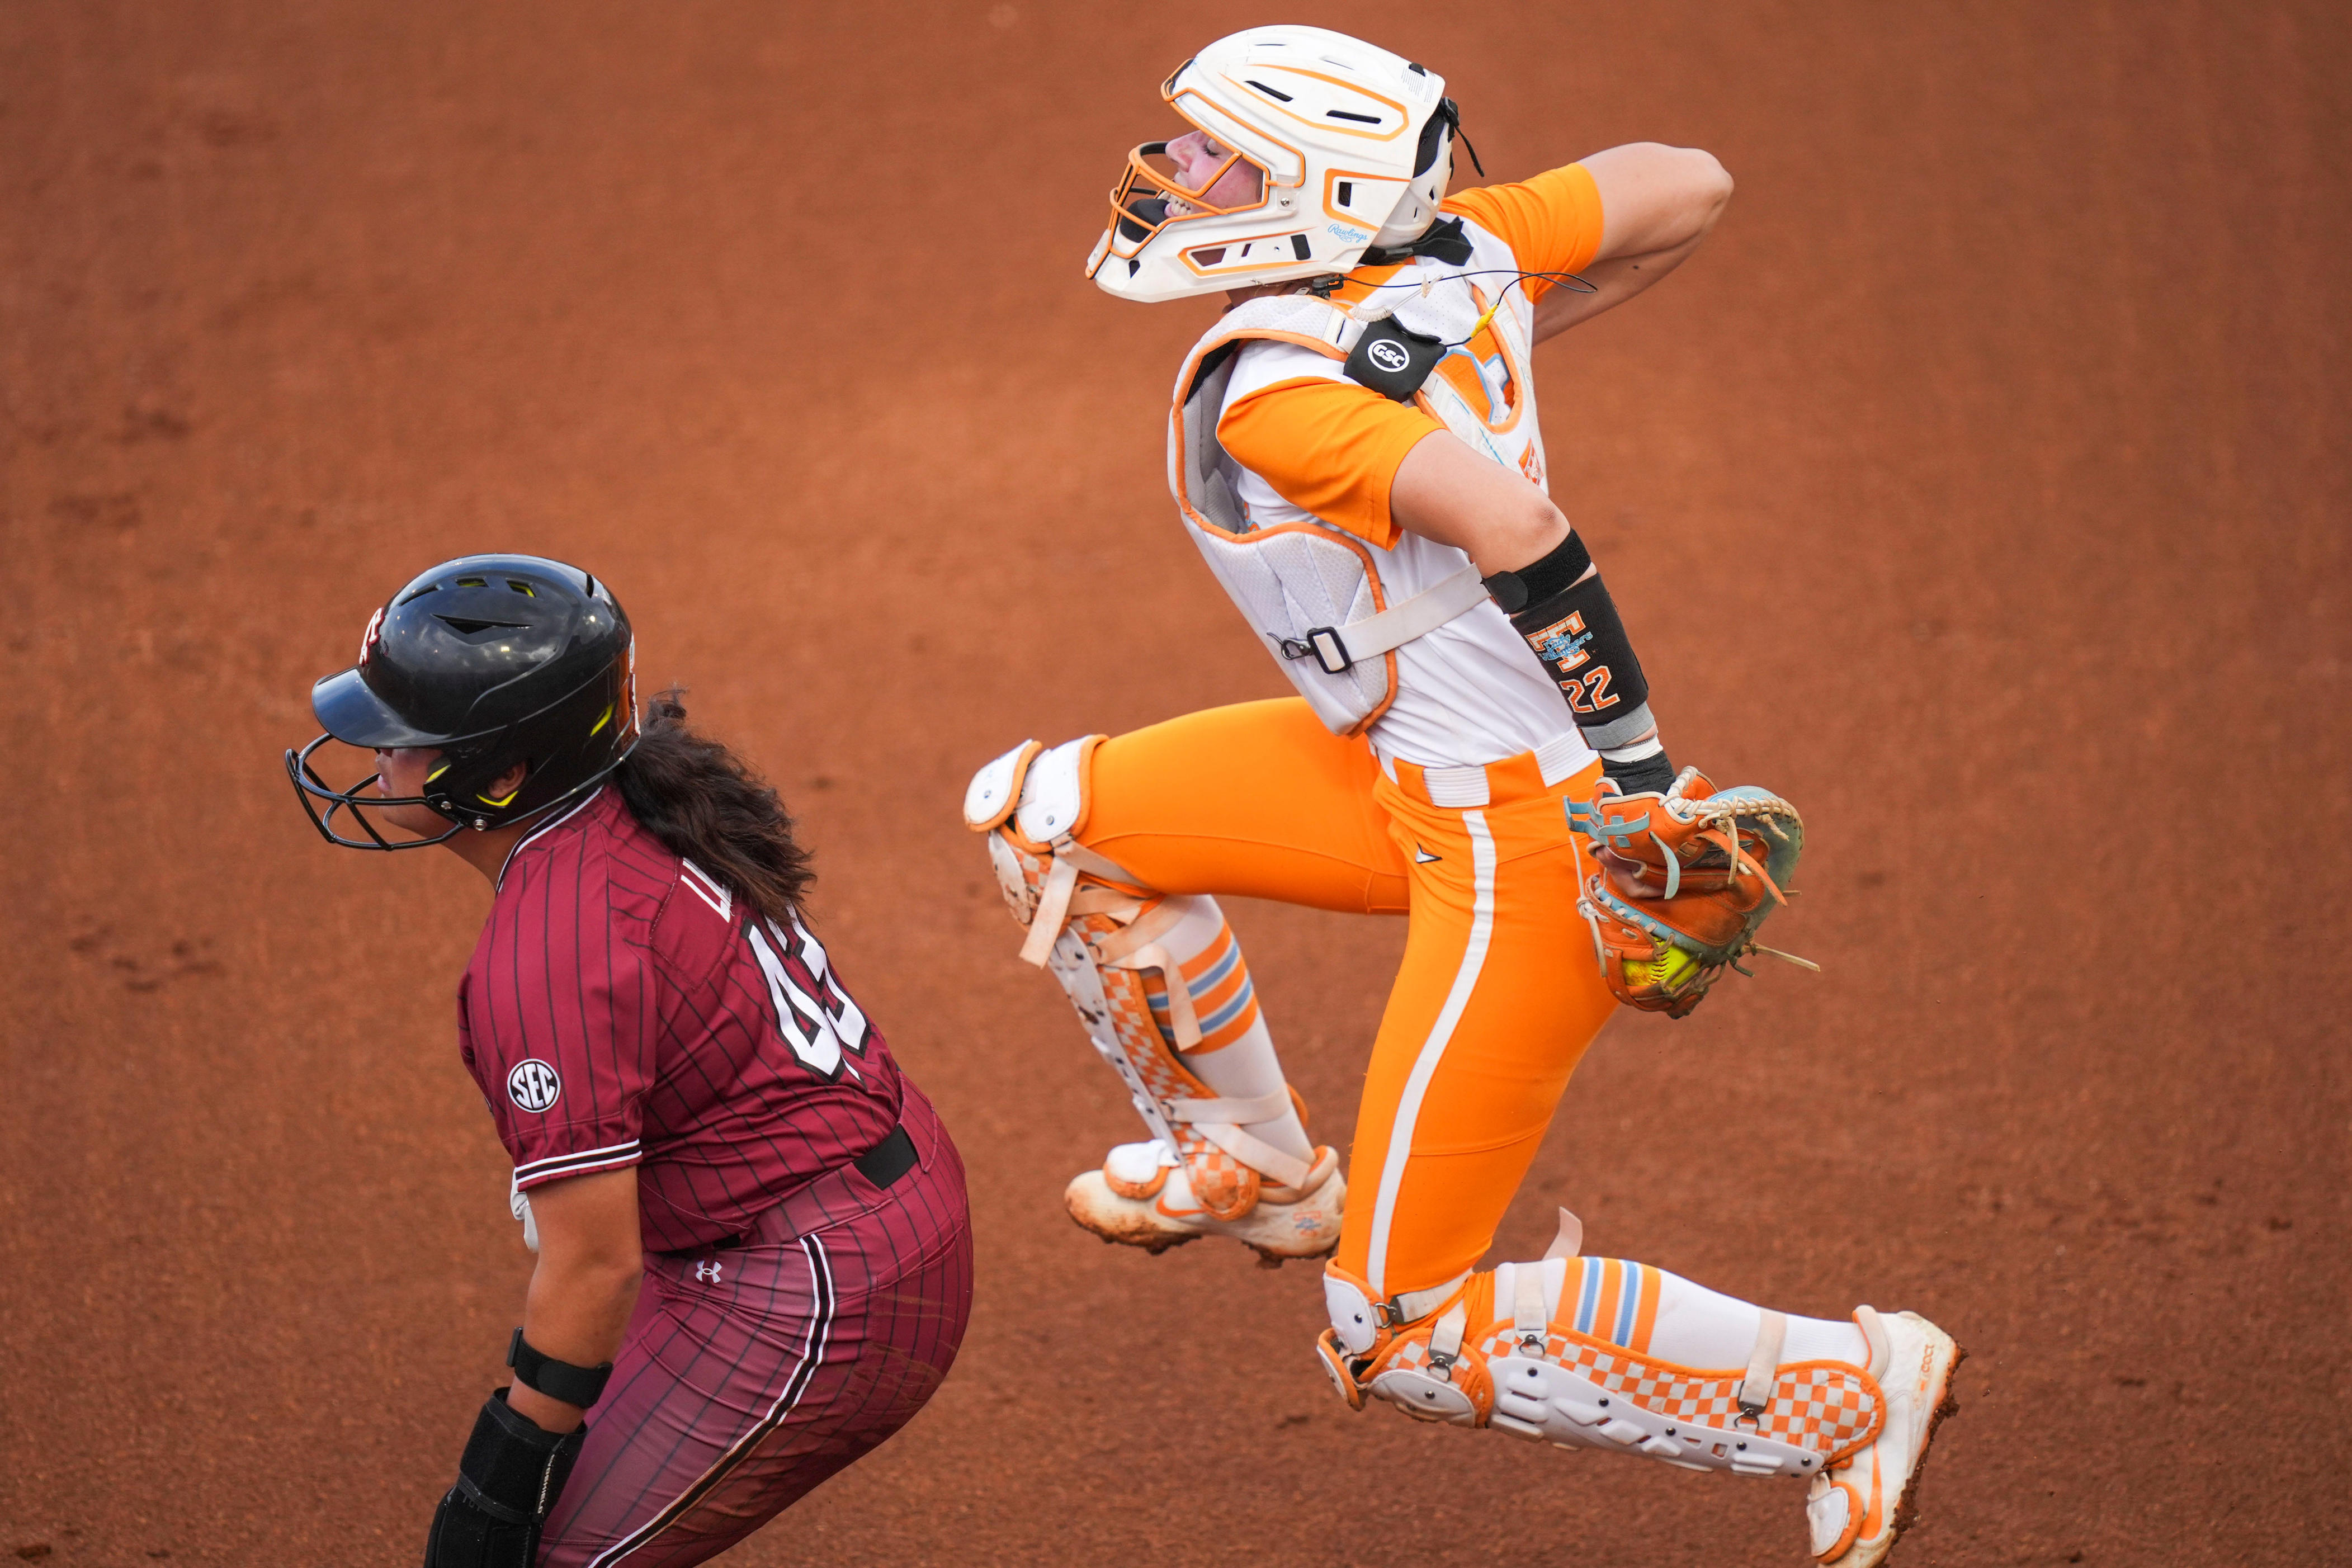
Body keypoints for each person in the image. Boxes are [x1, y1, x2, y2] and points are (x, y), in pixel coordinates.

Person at [965, 27, 1956, 1567]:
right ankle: (1258, 1162)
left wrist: (1632, 766)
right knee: (1050, 818)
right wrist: (1497, 311)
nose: (1169, 171)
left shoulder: (1276, 400)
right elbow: (1687, 185)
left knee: (1396, 1333)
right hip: (1389, 770)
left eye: (1213, 155)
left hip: (1519, 847)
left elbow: (1511, 518)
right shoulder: (1459, 248)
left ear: (1316, 193)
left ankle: (1844, 1388)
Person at [287, 554, 972, 1567]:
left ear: (503, 775)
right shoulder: (634, 799)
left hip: (815, 1282)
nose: (373, 758)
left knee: (541, 1556)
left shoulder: (551, 948)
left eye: (405, 740)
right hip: (858, 1190)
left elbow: (594, 1263)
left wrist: (500, 1477)